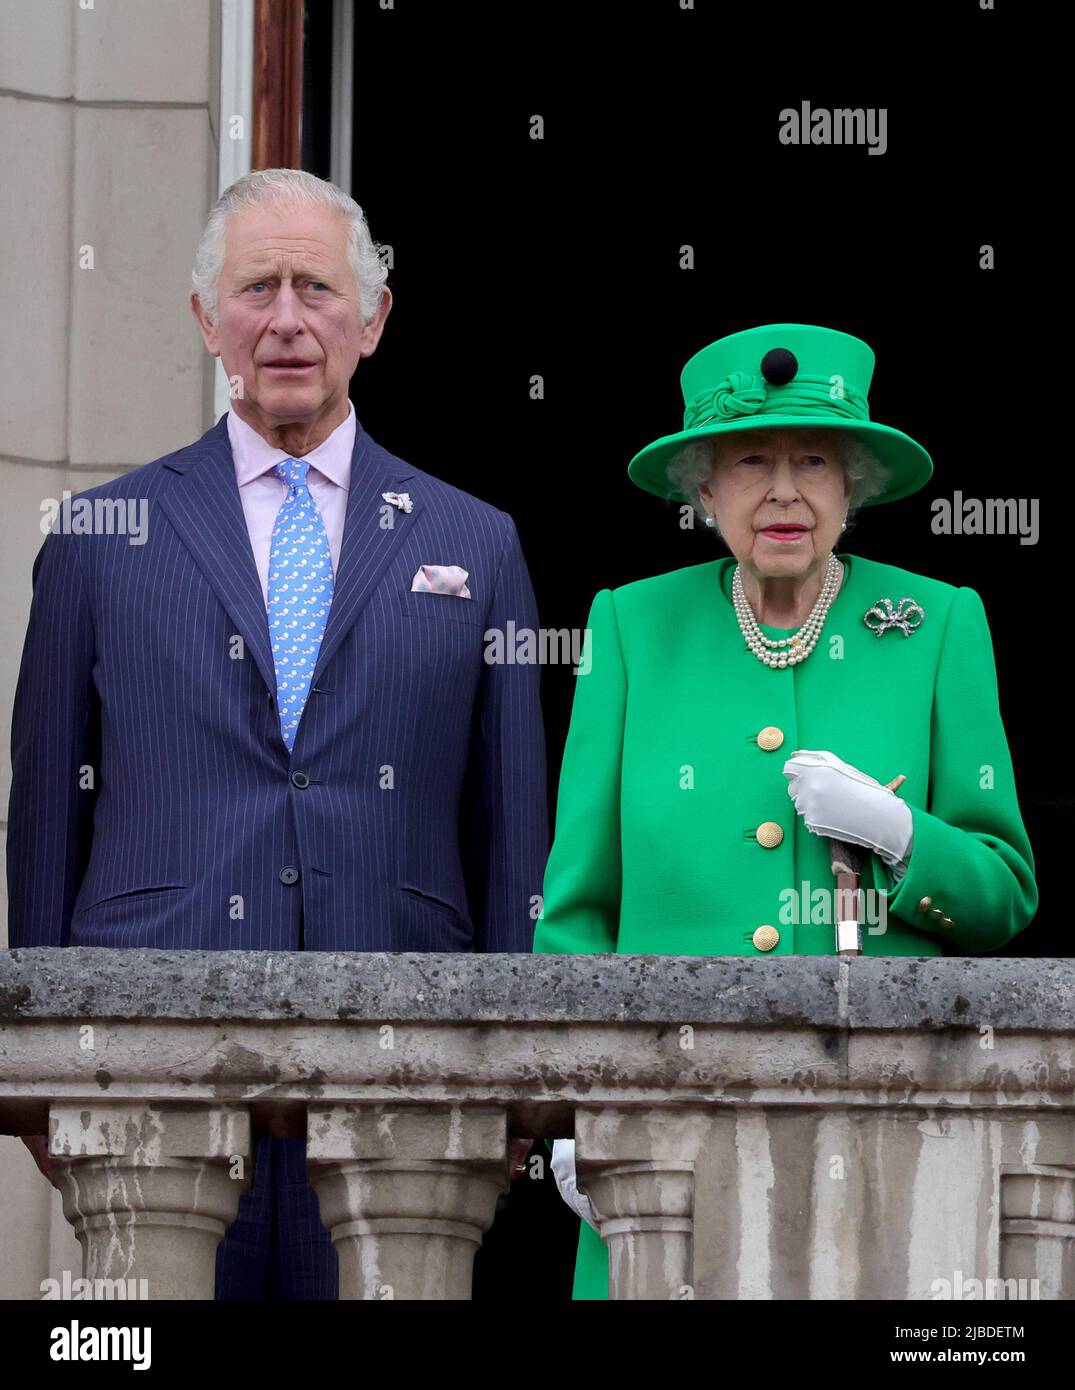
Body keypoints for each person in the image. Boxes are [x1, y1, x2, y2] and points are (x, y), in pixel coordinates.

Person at [7, 168, 546, 1299]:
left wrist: (519, 1062)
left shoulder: (477, 541)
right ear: (210, 319)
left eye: (316, 286)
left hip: (406, 1058)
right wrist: (40, 1056)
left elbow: (511, 830)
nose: (288, 319)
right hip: (148, 1063)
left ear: (374, 319)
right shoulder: (101, 537)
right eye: (258, 288)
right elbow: (50, 813)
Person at [533, 322, 1038, 1300]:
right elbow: (577, 911)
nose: (782, 491)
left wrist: (901, 837)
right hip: (669, 1131)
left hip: (880, 1135)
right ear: (701, 489)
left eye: (813, 460)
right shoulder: (630, 626)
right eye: (750, 461)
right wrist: (578, 1110)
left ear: (853, 486)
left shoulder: (936, 625)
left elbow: (1004, 891)